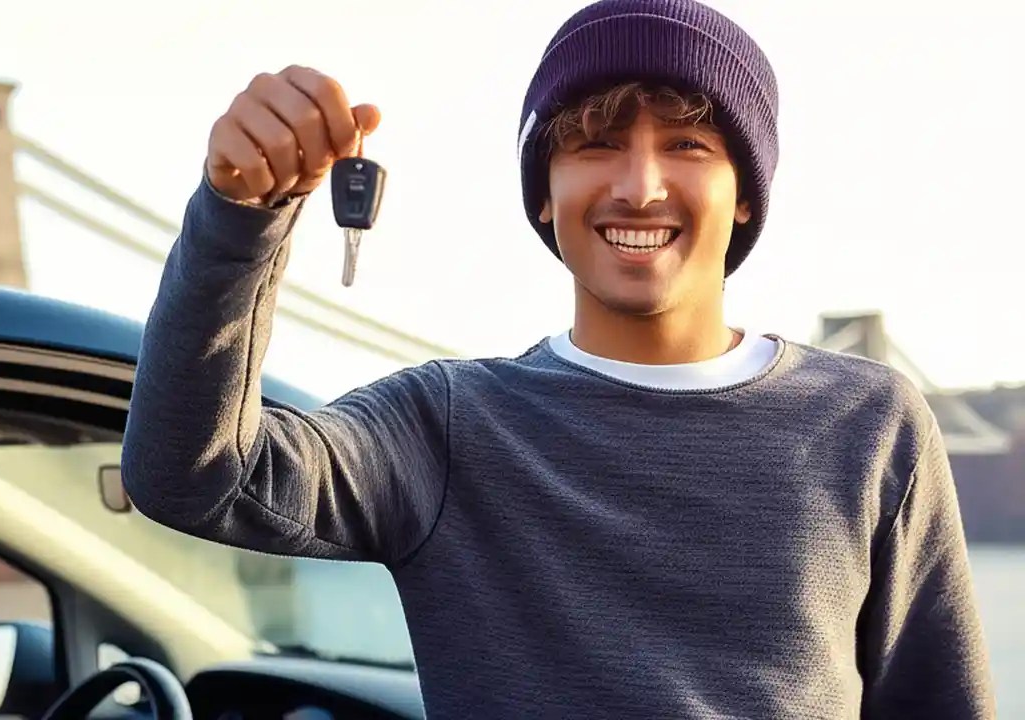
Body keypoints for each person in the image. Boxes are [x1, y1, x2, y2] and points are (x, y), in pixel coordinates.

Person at [122, 0, 996, 717]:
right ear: (544, 196)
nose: (638, 185)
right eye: (595, 144)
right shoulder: (447, 426)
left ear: (745, 196)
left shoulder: (871, 421)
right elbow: (196, 476)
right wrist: (242, 215)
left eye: (688, 146)